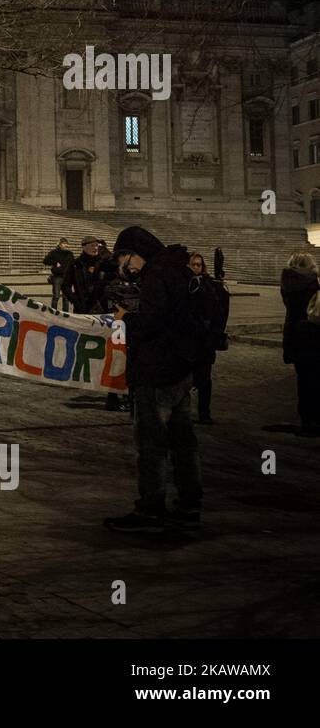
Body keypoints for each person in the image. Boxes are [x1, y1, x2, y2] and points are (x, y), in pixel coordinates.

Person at [104, 226, 204, 533]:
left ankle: (150, 508)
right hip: (179, 369)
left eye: (125, 257)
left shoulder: (157, 275)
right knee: (183, 442)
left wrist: (124, 319)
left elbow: (151, 321)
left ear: (138, 251)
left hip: (155, 369)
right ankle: (189, 504)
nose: (125, 265)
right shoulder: (177, 268)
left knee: (151, 443)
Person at [69, 236, 123, 412]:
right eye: (92, 245)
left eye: (97, 245)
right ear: (83, 246)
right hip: (85, 311)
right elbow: (65, 286)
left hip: (104, 312)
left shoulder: (105, 264)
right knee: (88, 348)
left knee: (112, 352)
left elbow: (113, 282)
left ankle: (113, 396)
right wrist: (75, 300)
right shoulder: (76, 264)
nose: (95, 248)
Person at [280, 251, 320, 435]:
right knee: (315, 379)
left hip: (295, 335)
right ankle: (315, 420)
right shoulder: (313, 283)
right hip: (313, 333)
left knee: (303, 380)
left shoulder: (287, 283)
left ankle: (306, 420)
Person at [187, 252, 218, 425]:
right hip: (188, 338)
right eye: (193, 264)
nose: (196, 267)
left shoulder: (208, 284)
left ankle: (204, 413)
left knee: (205, 378)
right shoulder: (183, 283)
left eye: (199, 264)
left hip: (204, 339)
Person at [42, 238, 75, 311]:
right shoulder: (54, 252)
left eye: (66, 243)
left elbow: (73, 265)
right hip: (57, 276)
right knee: (56, 296)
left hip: (67, 278)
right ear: (59, 244)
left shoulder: (70, 254)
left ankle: (66, 313)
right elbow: (45, 260)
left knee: (66, 297)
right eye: (63, 243)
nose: (65, 245)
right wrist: (55, 262)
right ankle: (53, 312)